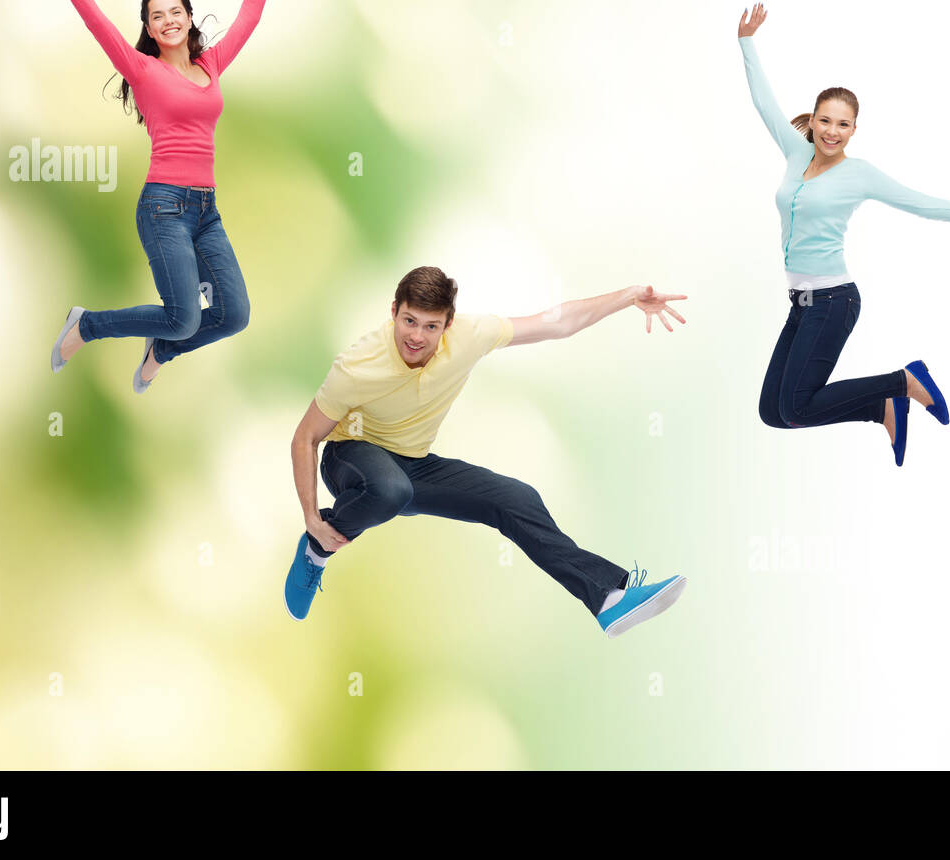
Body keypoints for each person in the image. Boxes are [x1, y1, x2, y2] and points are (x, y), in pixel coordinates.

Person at [285, 267, 689, 638]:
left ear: (448, 325)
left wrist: (631, 295)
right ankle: (317, 548)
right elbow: (305, 439)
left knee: (517, 499)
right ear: (394, 311)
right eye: (409, 321)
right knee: (389, 489)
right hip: (351, 456)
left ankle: (607, 599)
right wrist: (311, 517)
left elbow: (557, 322)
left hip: (413, 464)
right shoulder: (358, 365)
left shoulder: (470, 335)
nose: (417, 337)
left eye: (431, 326)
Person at [738, 2, 950, 464]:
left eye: (843, 124)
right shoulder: (795, 155)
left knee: (796, 406)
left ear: (854, 129)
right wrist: (746, 41)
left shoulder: (859, 175)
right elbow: (764, 102)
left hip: (833, 302)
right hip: (799, 306)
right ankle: (881, 407)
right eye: (825, 121)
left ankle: (904, 381)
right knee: (774, 413)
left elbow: (925, 204)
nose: (831, 131)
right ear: (814, 120)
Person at [35, 0, 276, 393]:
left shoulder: (211, 65)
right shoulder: (141, 70)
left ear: (188, 17)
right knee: (182, 317)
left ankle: (160, 349)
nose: (167, 20)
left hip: (206, 211)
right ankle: (86, 325)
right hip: (163, 207)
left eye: (175, 11)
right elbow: (96, 22)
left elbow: (249, 17)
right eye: (156, 16)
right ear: (148, 28)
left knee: (234, 315)